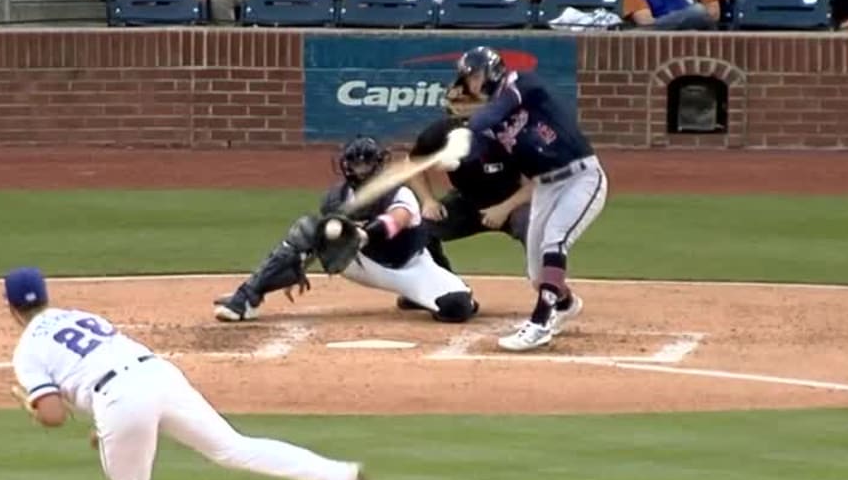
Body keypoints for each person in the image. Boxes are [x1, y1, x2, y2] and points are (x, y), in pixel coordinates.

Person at [4, 266, 377, 480]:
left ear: (11, 307)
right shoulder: (79, 316)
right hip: (158, 375)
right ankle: (339, 476)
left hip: (119, 398)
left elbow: (54, 415)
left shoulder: (27, 351)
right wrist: (106, 426)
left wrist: (35, 409)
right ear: (45, 295)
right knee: (234, 448)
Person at [420, 46, 606, 352]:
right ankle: (565, 305)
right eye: (469, 78)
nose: (472, 84)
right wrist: (454, 153)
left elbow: (490, 115)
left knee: (554, 243)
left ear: (491, 71)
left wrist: (468, 131)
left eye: (475, 76)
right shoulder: (490, 117)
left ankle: (540, 323)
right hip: (545, 186)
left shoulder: (522, 84)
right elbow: (478, 144)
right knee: (537, 274)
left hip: (580, 177)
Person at [212, 136, 480, 324]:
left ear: (378, 165)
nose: (360, 170)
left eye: (366, 164)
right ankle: (246, 297)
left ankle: (418, 296)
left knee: (457, 308)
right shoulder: (336, 198)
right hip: (360, 262)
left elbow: (397, 219)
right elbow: (326, 237)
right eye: (355, 164)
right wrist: (300, 264)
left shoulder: (399, 192)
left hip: (409, 266)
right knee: (307, 230)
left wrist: (366, 233)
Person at [407, 81, 531, 282]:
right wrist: (428, 200)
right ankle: (443, 286)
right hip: (468, 202)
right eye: (456, 102)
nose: (461, 108)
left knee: (536, 226)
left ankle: (548, 291)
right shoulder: (439, 133)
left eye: (467, 102)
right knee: (419, 228)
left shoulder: (509, 133)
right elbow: (412, 165)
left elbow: (536, 183)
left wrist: (504, 208)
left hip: (513, 201)